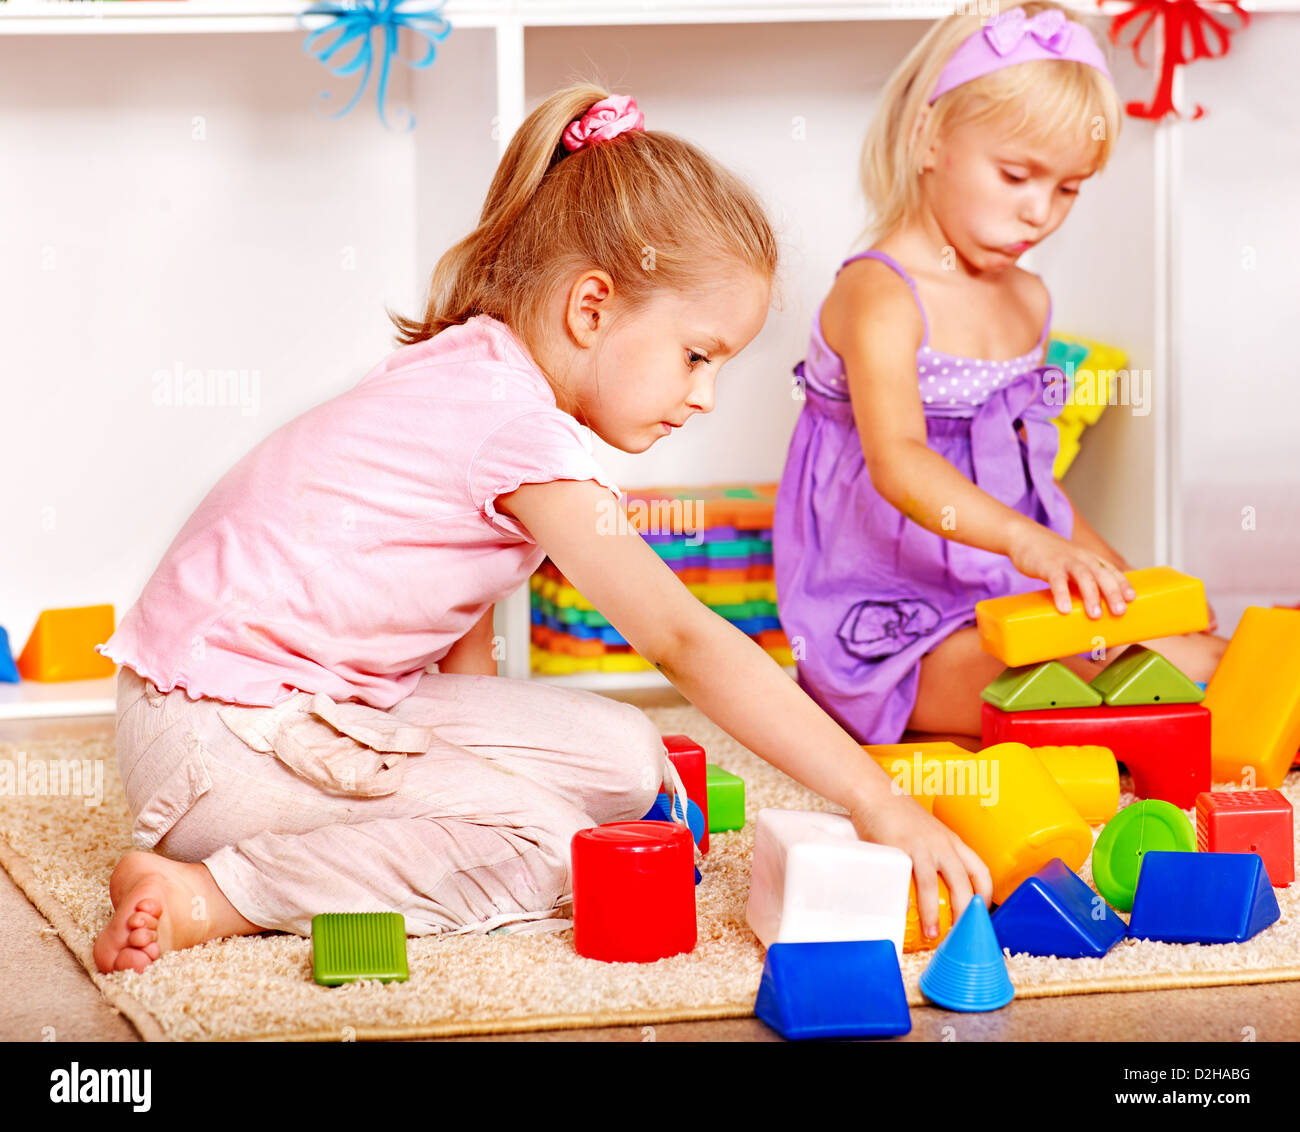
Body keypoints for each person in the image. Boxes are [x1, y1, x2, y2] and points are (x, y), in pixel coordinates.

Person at [93, 85, 991, 976]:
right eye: (696, 355)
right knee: (557, 848)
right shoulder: (520, 433)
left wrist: (476, 760)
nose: (705, 395)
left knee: (630, 760)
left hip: (291, 702)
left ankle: (412, 824)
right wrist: (880, 800)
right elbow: (683, 639)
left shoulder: (483, 370)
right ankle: (209, 894)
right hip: (217, 736)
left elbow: (457, 613)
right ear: (591, 308)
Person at [774, 2, 1228, 747]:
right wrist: (1029, 545)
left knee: (1203, 661)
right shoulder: (878, 295)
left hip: (1010, 590)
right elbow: (901, 464)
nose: (1040, 212)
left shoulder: (1027, 301)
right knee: (1068, 699)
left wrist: (1117, 575)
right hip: (897, 618)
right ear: (928, 139)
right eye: (1017, 175)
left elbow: (1031, 480)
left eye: (1068, 188)